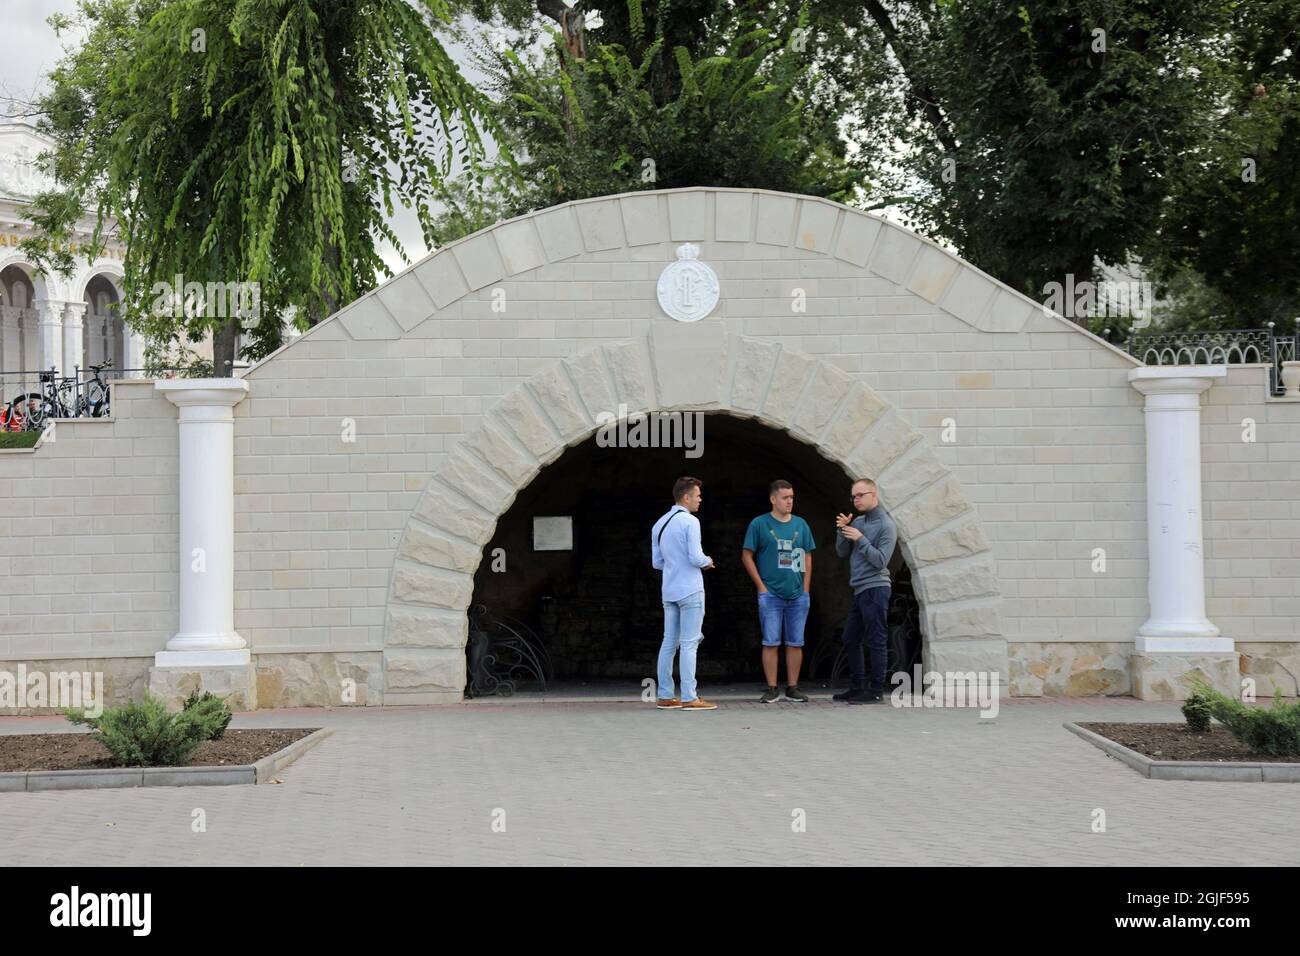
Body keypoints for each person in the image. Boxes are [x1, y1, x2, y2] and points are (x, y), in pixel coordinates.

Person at [741, 479, 815, 703]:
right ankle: (772, 687)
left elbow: (808, 557)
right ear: (773, 499)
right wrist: (761, 587)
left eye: (792, 497)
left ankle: (793, 687)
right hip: (771, 593)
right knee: (770, 641)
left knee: (796, 642)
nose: (790, 501)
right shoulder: (759, 524)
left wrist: (806, 589)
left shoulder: (801, 525)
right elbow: (747, 555)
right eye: (785, 497)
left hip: (797, 593)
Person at [650, 476, 717, 711]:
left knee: (669, 642)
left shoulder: (659, 524)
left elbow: (657, 562)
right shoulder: (690, 521)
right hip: (690, 588)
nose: (700, 499)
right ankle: (690, 696)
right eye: (698, 495)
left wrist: (674, 563)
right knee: (690, 643)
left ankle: (665, 695)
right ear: (686, 497)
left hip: (669, 589)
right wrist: (708, 561)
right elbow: (695, 557)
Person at [834, 478, 897, 704]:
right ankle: (857, 687)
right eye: (854, 496)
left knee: (876, 640)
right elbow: (841, 552)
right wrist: (842, 530)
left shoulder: (886, 525)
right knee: (850, 638)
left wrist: (860, 540)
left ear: (874, 495)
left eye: (861, 495)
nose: (856, 500)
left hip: (876, 588)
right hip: (860, 589)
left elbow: (881, 561)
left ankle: (875, 691)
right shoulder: (858, 522)